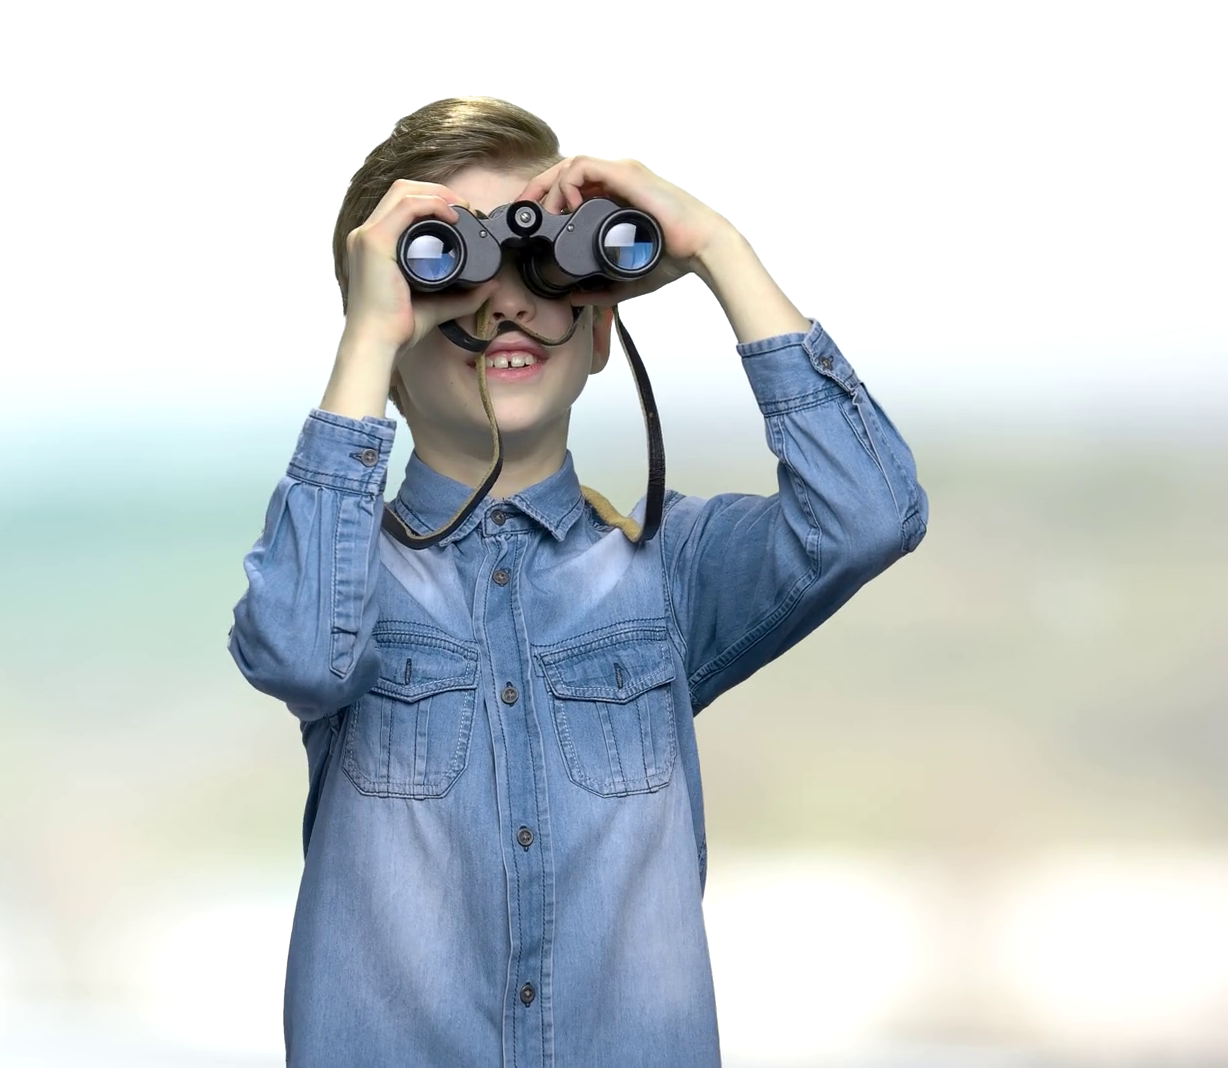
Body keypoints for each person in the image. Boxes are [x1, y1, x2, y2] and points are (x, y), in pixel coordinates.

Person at [226, 96, 929, 1067]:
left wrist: (716, 247)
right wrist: (366, 333)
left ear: (600, 329)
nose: (507, 300)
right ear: (389, 345)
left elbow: (868, 515)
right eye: (453, 261)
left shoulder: (667, 570)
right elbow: (298, 648)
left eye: (545, 259)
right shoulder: (353, 580)